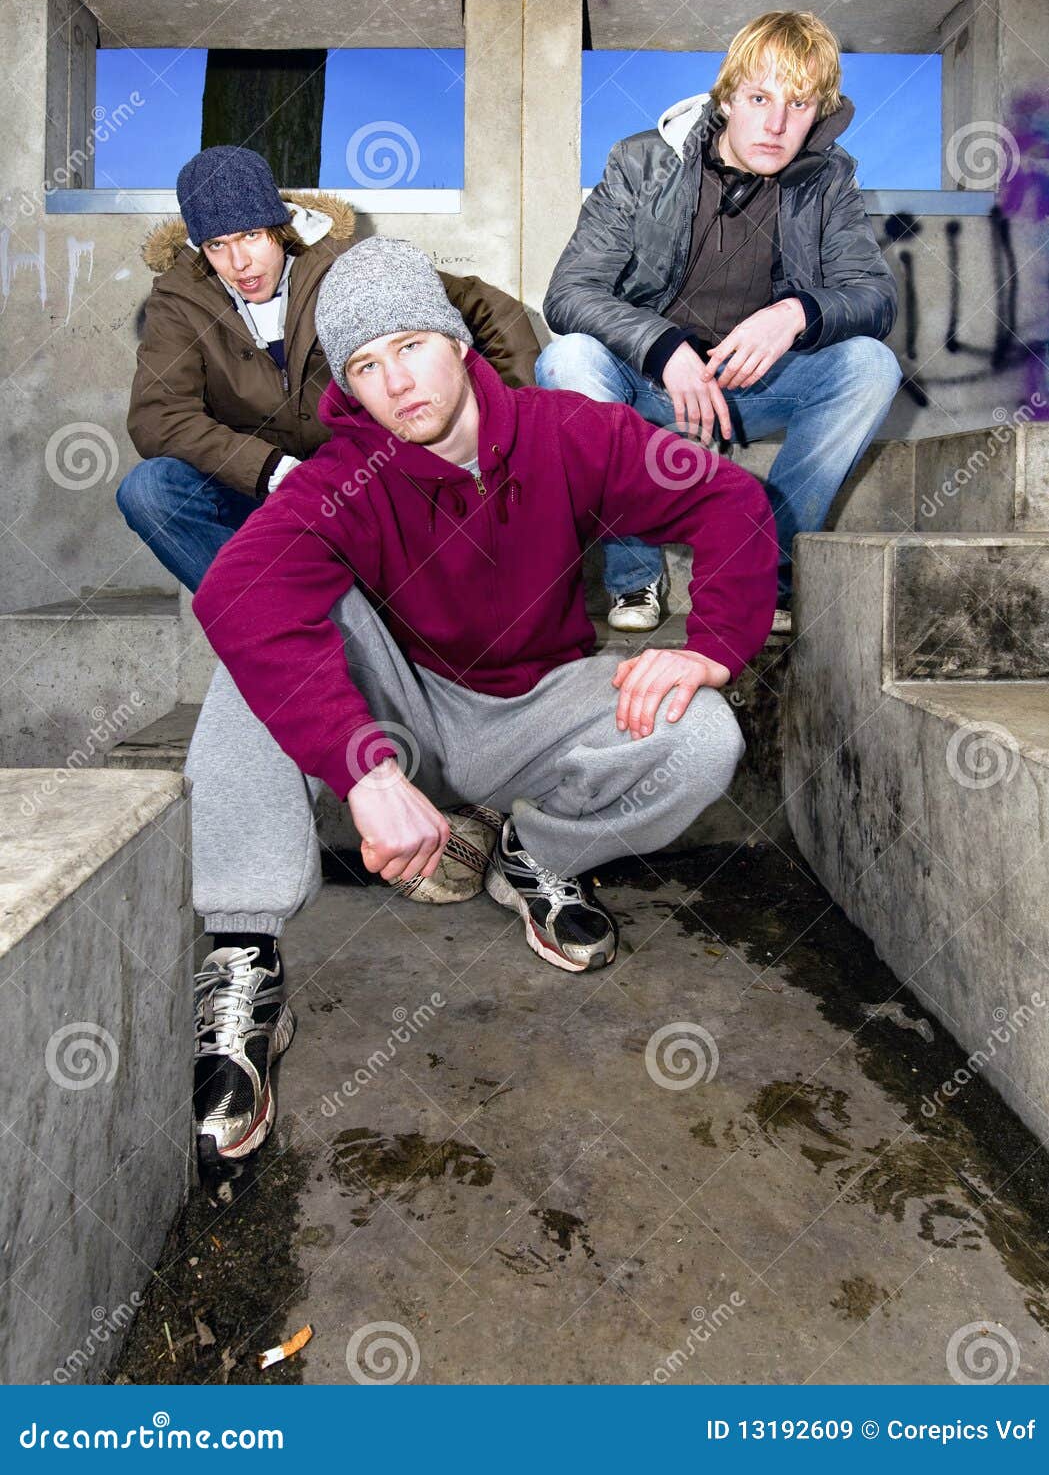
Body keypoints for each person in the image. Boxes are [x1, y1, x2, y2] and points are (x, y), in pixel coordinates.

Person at [185, 236, 777, 1173]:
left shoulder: (568, 431)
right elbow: (231, 595)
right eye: (366, 367)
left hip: (532, 707)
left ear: (457, 342)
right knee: (258, 625)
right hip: (403, 718)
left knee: (705, 738)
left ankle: (533, 854)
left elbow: (732, 500)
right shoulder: (347, 475)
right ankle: (243, 953)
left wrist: (711, 649)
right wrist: (362, 767)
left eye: (411, 346)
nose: (397, 384)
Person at [538, 10, 902, 631]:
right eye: (760, 98)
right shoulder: (642, 163)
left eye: (799, 104)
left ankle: (770, 572)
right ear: (728, 97)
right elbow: (570, 292)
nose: (777, 123)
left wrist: (795, 313)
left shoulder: (828, 179)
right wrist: (662, 347)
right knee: (566, 359)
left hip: (751, 387)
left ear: (819, 113)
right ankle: (634, 577)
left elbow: (874, 296)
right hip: (647, 385)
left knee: (871, 365)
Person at [117, 144, 539, 591]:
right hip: (260, 489)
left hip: (363, 480)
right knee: (149, 490)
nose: (238, 263)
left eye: (251, 236)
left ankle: (334, 604)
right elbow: (158, 416)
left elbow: (493, 312)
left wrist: (496, 424)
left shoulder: (345, 266)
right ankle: (264, 613)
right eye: (217, 245)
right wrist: (271, 470)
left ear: (279, 227)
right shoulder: (180, 300)